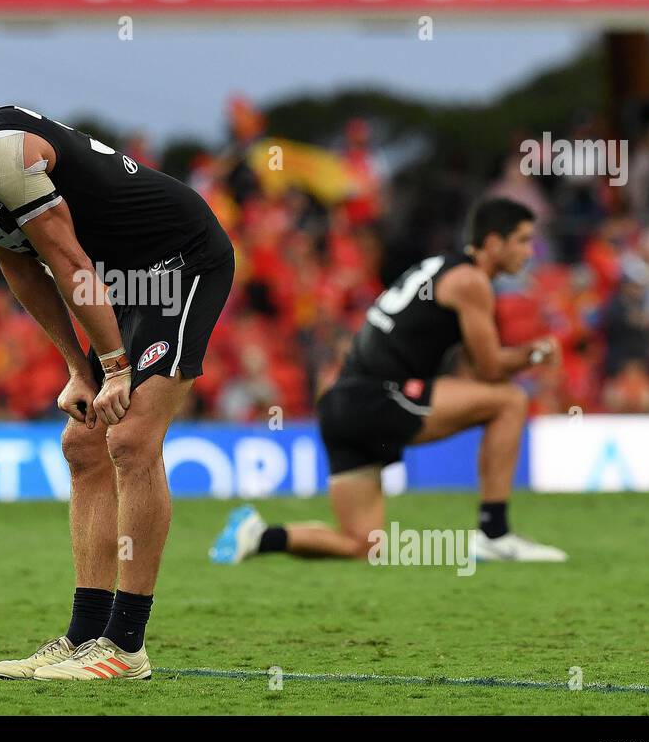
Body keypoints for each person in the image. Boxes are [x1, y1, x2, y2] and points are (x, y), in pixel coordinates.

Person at [0, 100, 235, 680]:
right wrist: (79, 371)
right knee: (83, 446)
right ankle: (85, 637)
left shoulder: (0, 156)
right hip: (118, 279)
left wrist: (113, 366)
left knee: (131, 440)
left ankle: (125, 648)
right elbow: (25, 272)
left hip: (179, 261)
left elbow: (67, 259)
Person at [211, 198, 568, 565]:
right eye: (523, 241)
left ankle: (259, 535)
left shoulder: (439, 268)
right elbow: (491, 369)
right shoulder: (471, 281)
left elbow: (472, 368)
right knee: (509, 401)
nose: (530, 251)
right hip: (377, 398)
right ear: (493, 243)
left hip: (341, 407)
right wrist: (536, 353)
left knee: (364, 545)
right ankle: (494, 532)